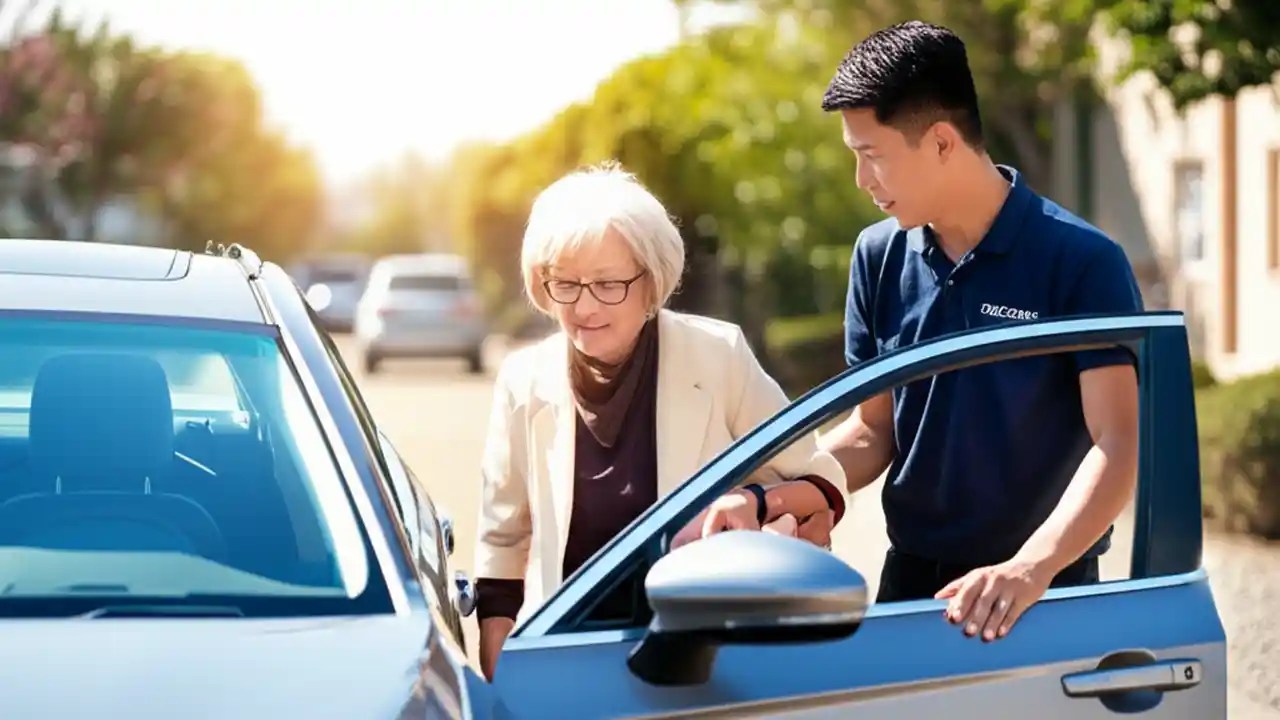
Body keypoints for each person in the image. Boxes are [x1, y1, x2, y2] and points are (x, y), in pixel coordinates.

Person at [815, 21, 1142, 643]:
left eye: (872, 156)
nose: (862, 181)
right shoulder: (876, 257)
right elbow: (872, 428)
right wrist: (796, 488)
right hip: (910, 592)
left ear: (941, 141)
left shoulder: (1081, 262)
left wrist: (1030, 568)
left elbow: (1116, 441)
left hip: (1043, 597)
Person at [473, 162, 848, 680]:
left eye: (607, 284)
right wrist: (500, 672)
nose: (584, 306)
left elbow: (822, 481)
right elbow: (502, 543)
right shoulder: (522, 379)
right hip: (565, 660)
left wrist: (756, 500)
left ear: (652, 282)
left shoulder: (718, 356)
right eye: (566, 283)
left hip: (700, 661)